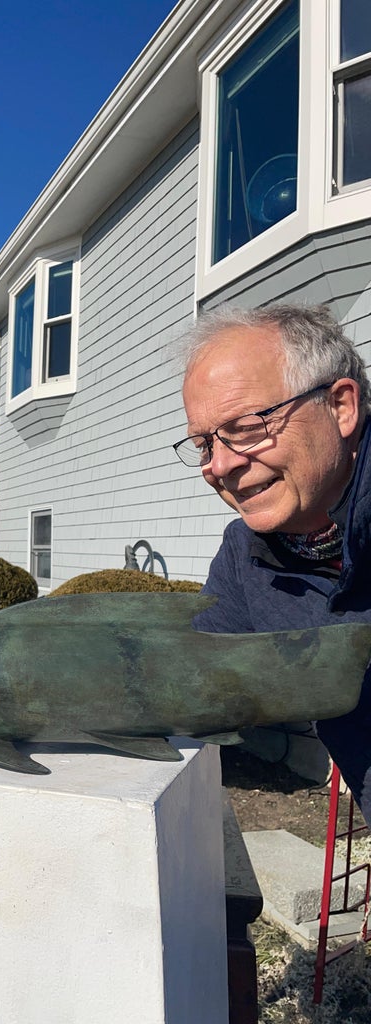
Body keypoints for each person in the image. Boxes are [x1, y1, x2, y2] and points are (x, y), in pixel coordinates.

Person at [174, 303, 371, 824]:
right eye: (203, 444)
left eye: (245, 427)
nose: (219, 465)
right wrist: (35, 644)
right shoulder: (247, 553)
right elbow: (185, 671)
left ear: (341, 407)